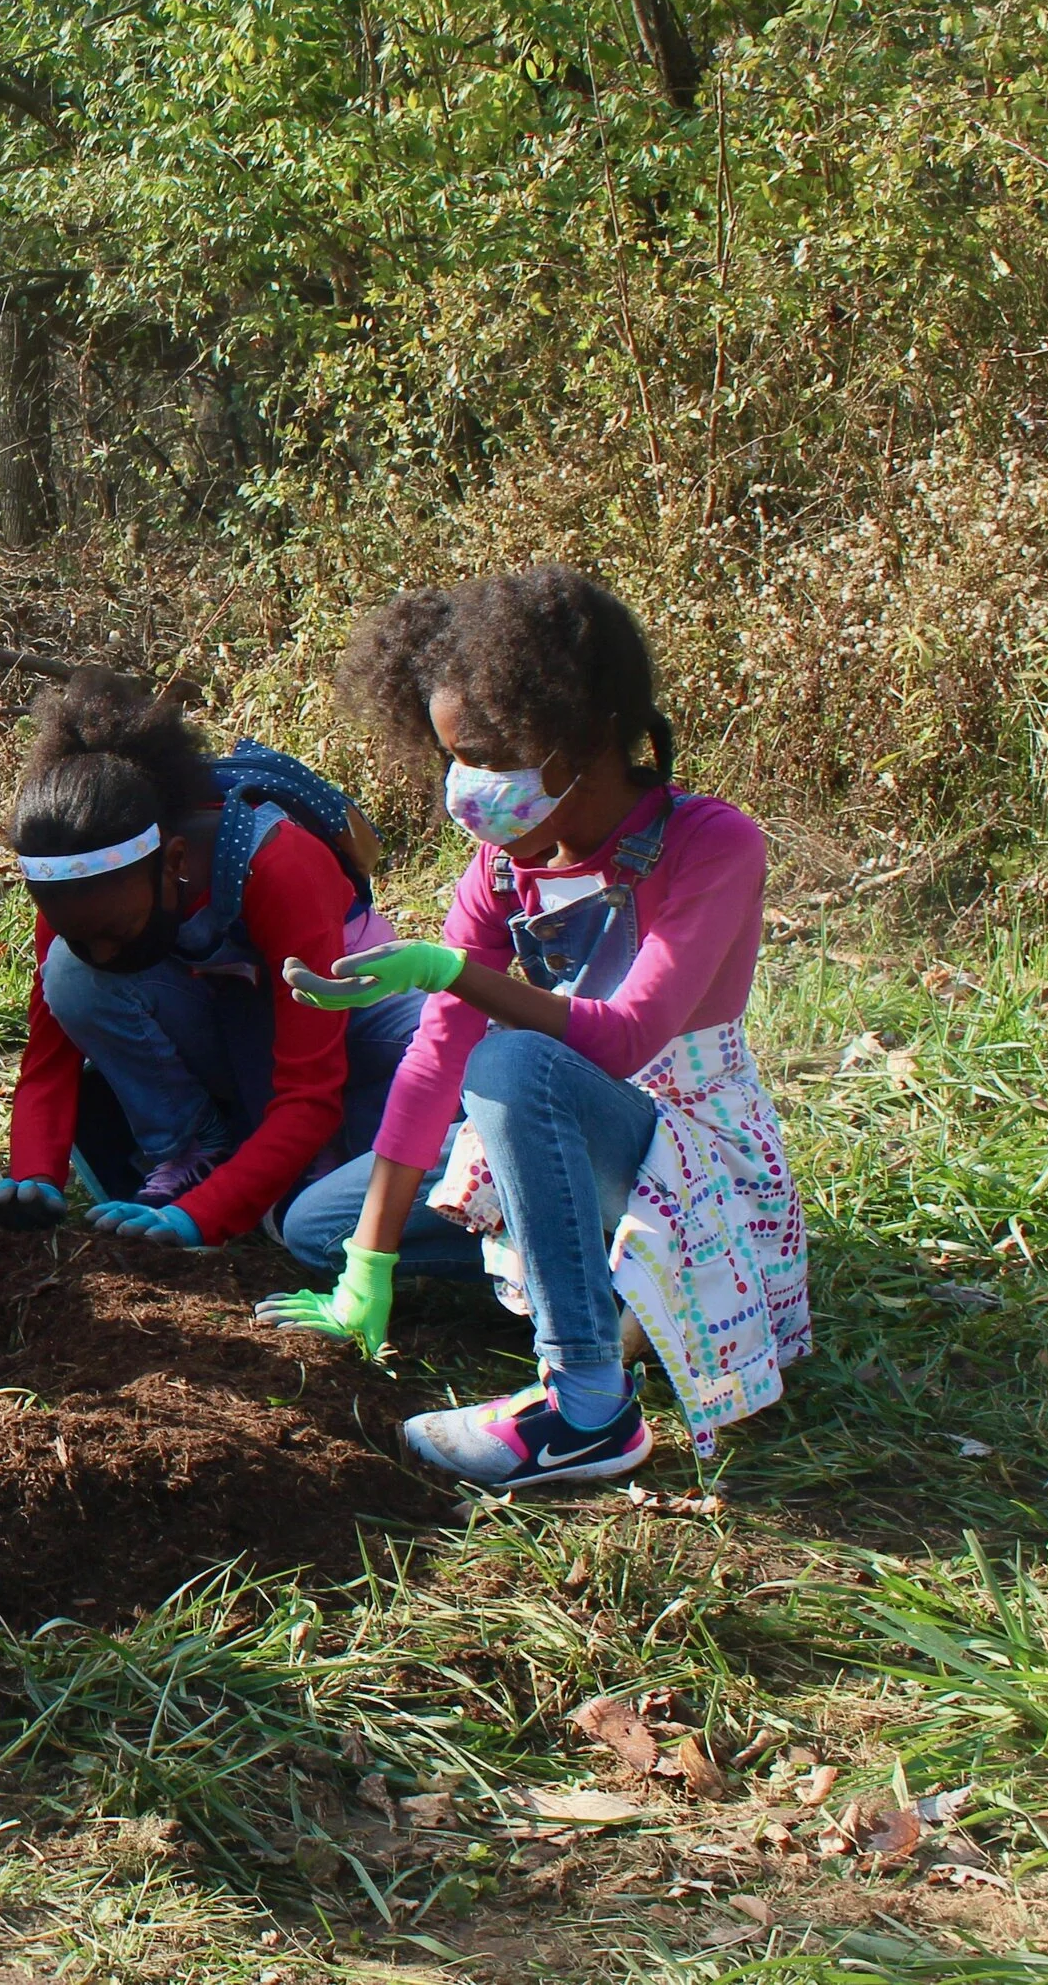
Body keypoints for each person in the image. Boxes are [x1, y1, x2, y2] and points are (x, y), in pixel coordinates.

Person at [262, 566, 803, 1492]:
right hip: (546, 1139)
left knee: (513, 1063)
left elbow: (627, 1038)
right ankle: (602, 1285)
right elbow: (437, 1056)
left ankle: (587, 1403)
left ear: (583, 734)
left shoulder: (711, 844)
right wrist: (369, 1264)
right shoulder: (503, 867)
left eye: (486, 752)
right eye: (452, 758)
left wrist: (452, 971)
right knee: (318, 1224)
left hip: (681, 1146)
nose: (468, 784)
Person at [0, 670, 420, 1248]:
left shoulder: (278, 863)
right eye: (82, 933)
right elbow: (48, 1055)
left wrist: (200, 1217)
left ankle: (313, 1160)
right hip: (231, 1024)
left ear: (172, 859)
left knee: (316, 1210)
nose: (104, 951)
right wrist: (33, 1174)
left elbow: (310, 1087)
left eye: (114, 931)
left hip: (342, 1022)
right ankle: (193, 1148)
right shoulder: (78, 886)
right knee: (70, 975)